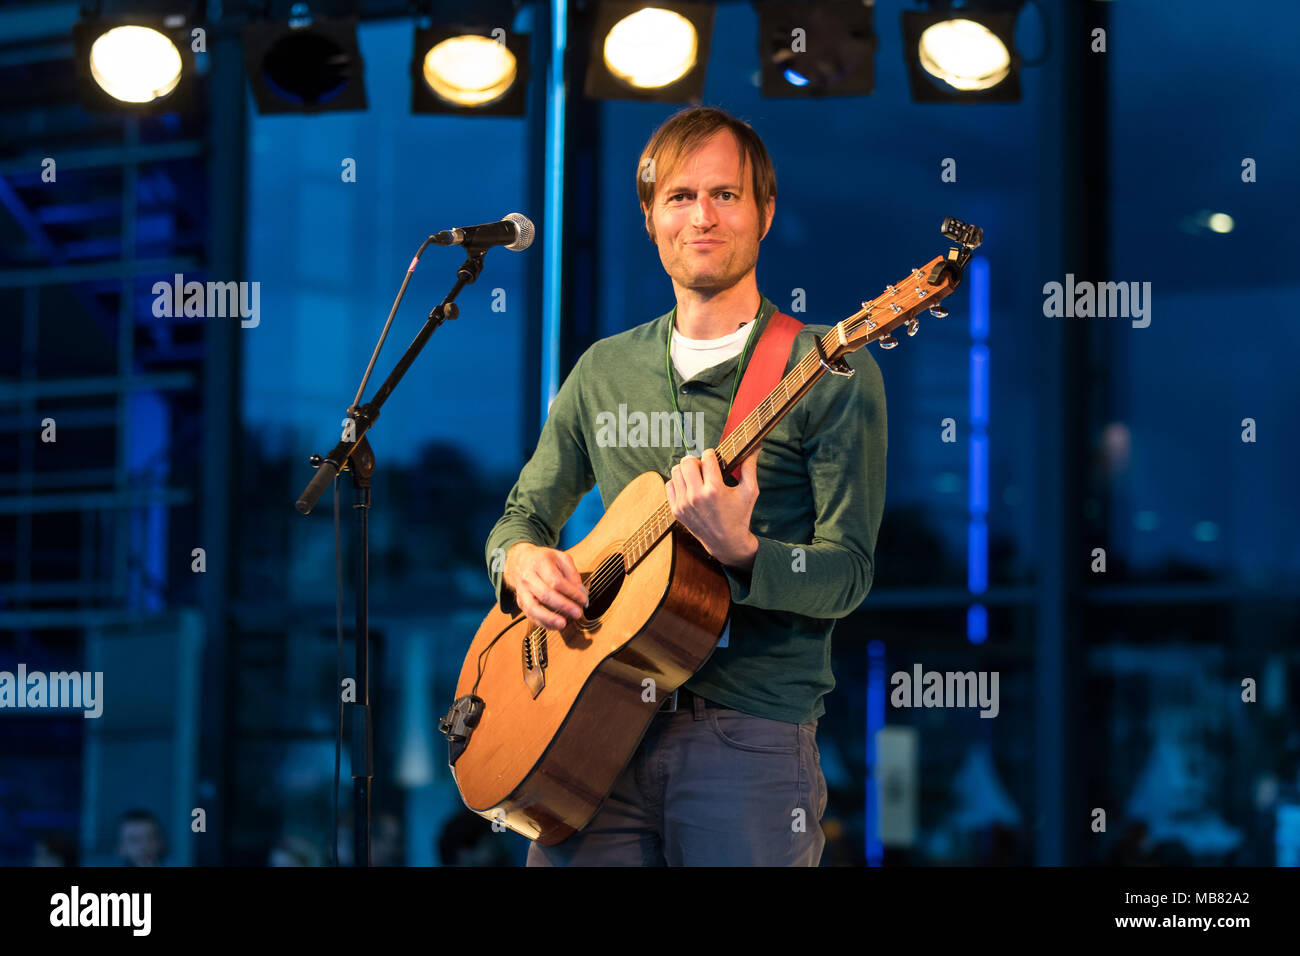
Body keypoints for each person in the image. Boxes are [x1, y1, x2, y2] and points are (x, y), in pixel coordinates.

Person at [485, 105, 887, 866]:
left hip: (747, 737)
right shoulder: (603, 369)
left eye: (725, 195)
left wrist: (742, 552)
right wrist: (520, 562)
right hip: (584, 727)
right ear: (648, 218)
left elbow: (850, 574)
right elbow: (521, 517)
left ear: (765, 213)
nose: (701, 215)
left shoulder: (831, 370)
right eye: (679, 196)